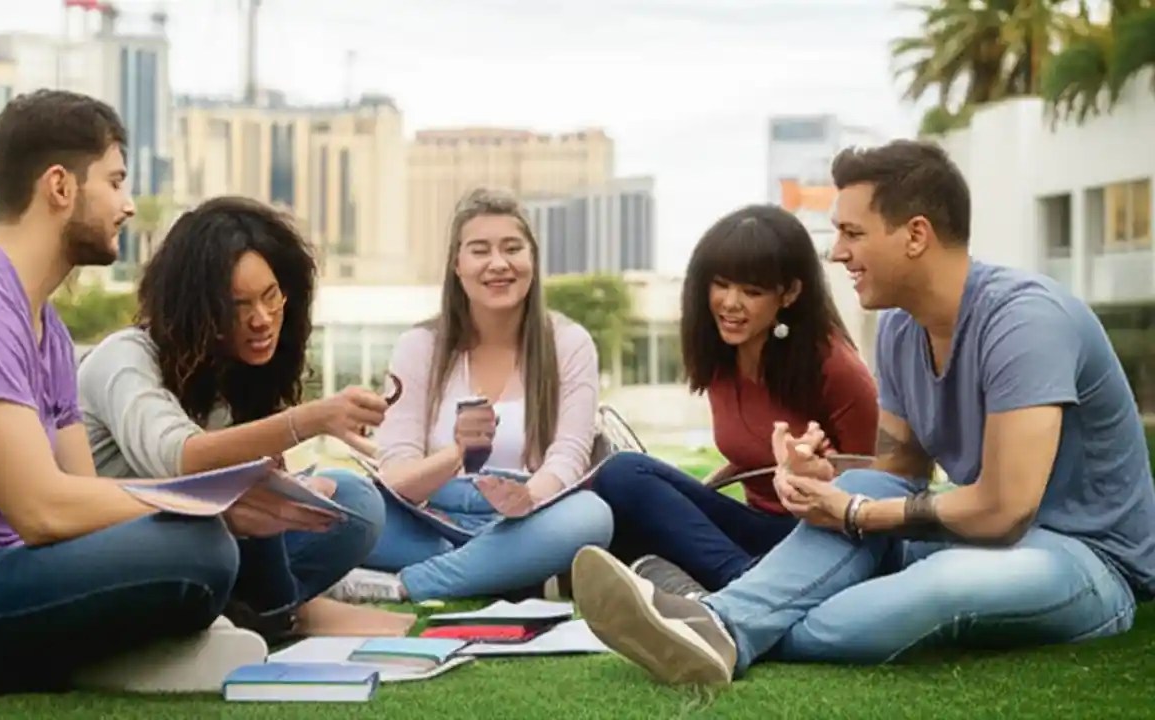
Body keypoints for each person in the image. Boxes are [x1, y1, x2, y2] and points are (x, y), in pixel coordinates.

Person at [572, 139, 1155, 685]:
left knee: (939, 582)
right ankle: (719, 624)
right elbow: (897, 468)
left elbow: (1005, 509)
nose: (837, 252)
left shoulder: (1025, 322)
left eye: (852, 232)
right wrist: (825, 477)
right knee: (865, 487)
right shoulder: (902, 328)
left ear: (915, 235)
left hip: (1086, 560)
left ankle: (719, 618)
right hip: (974, 538)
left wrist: (854, 510)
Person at [0, 90, 331, 694]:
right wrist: (198, 502)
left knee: (234, 530)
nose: (128, 205)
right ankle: (115, 651)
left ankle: (113, 649)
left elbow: (86, 496)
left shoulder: (50, 333)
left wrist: (224, 497)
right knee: (201, 550)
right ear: (60, 187)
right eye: (115, 182)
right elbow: (41, 511)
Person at [76, 195, 414, 638]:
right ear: (196, 309)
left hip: (216, 533)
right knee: (226, 527)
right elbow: (180, 459)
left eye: (271, 297)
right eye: (237, 306)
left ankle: (263, 613)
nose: (261, 320)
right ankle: (285, 615)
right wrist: (312, 419)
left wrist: (292, 488)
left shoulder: (237, 370)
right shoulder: (126, 358)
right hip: (130, 544)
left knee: (356, 504)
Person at [338, 187, 614, 602]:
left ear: (532, 260)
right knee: (333, 494)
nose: (498, 264)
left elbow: (570, 455)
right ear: (457, 264)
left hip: (528, 517)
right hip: (427, 516)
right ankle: (501, 567)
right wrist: (456, 454)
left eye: (512, 248)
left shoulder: (569, 343)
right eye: (480, 251)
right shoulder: (419, 346)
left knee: (592, 517)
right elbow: (397, 476)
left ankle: (405, 585)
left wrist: (529, 499)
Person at [592, 205, 878, 599]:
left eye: (752, 291)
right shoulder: (723, 355)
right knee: (622, 476)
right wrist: (695, 497)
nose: (730, 302)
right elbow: (753, 451)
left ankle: (743, 591)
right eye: (721, 284)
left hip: (820, 541)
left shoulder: (834, 367)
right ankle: (732, 583)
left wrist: (820, 472)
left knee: (634, 509)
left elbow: (879, 482)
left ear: (790, 293)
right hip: (755, 532)